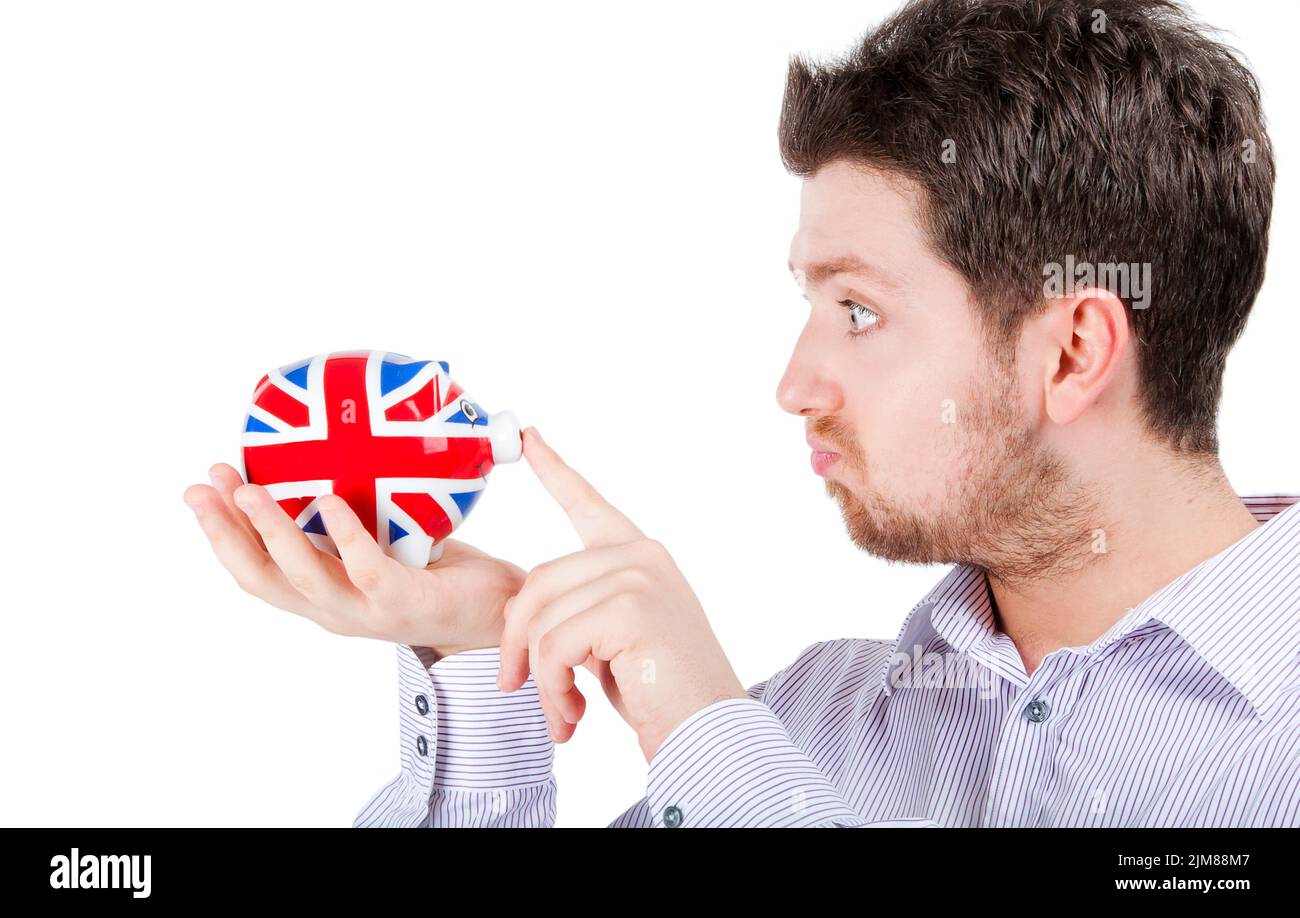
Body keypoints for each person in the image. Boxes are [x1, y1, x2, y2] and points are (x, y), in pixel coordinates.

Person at [183, 0, 1299, 827]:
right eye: (807, 302)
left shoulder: (733, 746)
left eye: (858, 310)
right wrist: (481, 655)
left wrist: (703, 730)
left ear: (1070, 353)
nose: (793, 383)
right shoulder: (812, 723)